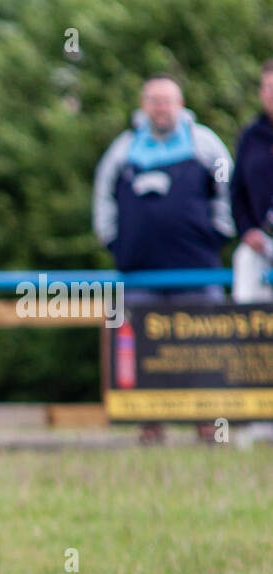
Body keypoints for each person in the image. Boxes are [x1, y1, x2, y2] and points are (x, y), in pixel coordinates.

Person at [93, 74, 235, 443]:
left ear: (180, 104)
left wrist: (217, 236)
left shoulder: (205, 145)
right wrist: (115, 244)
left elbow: (229, 190)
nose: (160, 107)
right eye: (153, 100)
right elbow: (102, 198)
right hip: (140, 274)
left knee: (202, 349)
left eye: (166, 100)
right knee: (142, 351)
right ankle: (150, 424)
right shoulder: (123, 150)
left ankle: (207, 423)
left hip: (198, 271)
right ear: (143, 106)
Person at [231, 60, 273, 304]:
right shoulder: (250, 136)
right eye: (267, 87)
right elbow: (236, 190)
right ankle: (243, 339)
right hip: (262, 239)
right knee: (244, 261)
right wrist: (247, 229)